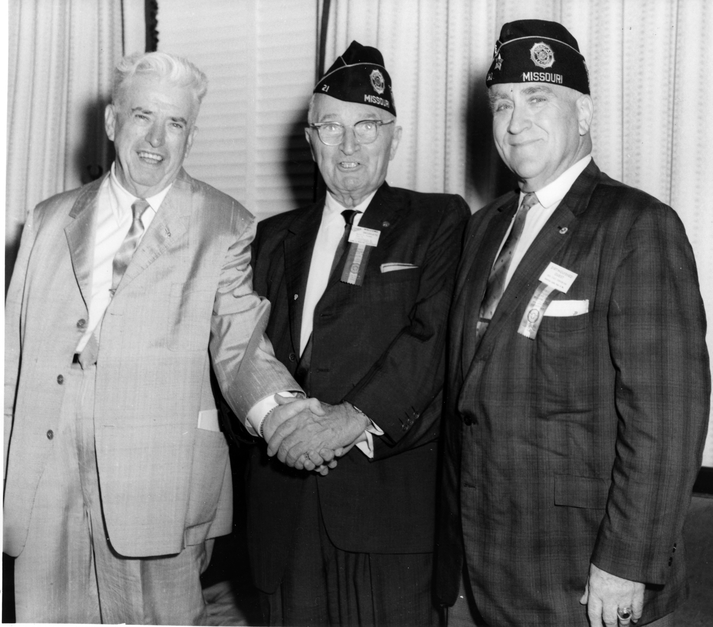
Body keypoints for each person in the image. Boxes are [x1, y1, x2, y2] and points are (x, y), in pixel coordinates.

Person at [3, 51, 307, 624]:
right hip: (44, 470)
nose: (156, 140)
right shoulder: (47, 219)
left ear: (191, 136)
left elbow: (239, 347)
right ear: (113, 122)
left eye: (176, 123)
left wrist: (285, 415)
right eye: (143, 116)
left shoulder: (225, 223)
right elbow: (9, 359)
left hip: (157, 478)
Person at [435, 20, 711, 627]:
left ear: (583, 114)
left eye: (539, 99)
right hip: (489, 561)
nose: (515, 121)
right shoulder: (484, 229)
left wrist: (627, 563)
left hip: (587, 572)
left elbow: (667, 417)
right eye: (502, 104)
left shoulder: (636, 226)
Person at [246, 41, 470, 626]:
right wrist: (282, 427)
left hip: (389, 521)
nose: (349, 146)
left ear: (395, 137)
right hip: (284, 513)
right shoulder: (268, 239)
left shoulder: (440, 221)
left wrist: (349, 421)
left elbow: (435, 342)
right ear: (310, 139)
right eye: (331, 126)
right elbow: (236, 355)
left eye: (367, 126)